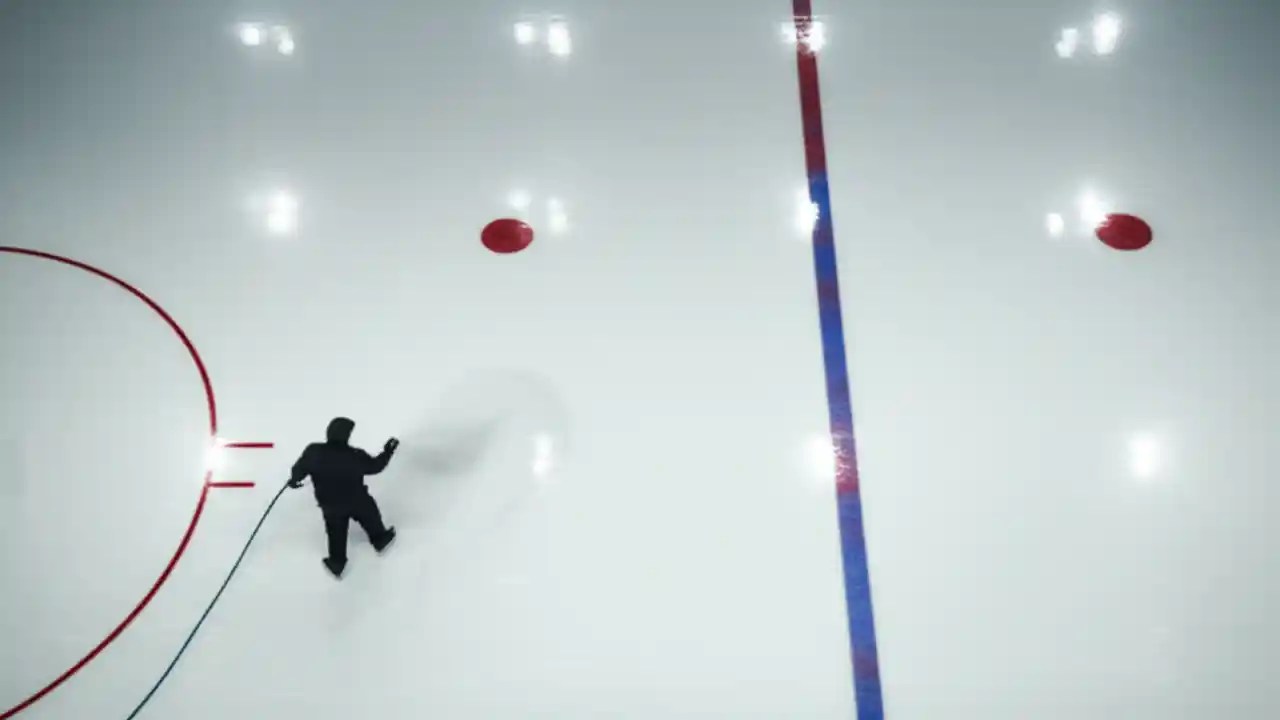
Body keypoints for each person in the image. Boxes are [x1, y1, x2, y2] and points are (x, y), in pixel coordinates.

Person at [287, 417, 399, 579]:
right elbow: (376, 466)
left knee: (335, 532)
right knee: (370, 516)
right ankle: (380, 539)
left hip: (330, 504)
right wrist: (388, 452)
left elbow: (299, 470)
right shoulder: (354, 455)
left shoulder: (314, 451)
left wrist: (294, 479)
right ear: (346, 435)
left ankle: (337, 562)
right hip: (357, 500)